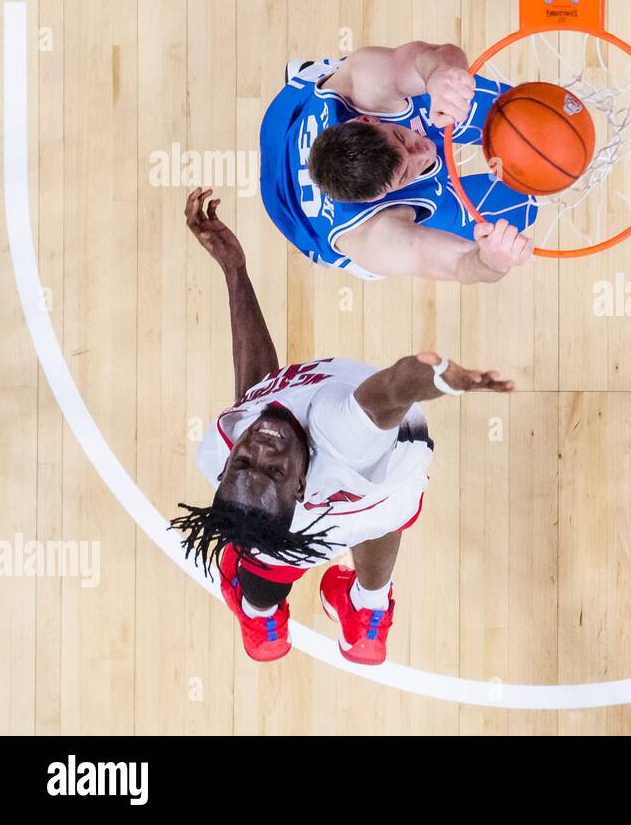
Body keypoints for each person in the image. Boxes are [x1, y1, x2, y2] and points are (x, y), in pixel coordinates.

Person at [174, 189, 513, 664]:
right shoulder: (341, 435)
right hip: (387, 488)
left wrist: (235, 271)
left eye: (244, 461)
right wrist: (443, 377)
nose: (261, 447)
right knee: (379, 511)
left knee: (255, 557)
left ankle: (262, 617)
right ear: (300, 486)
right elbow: (395, 388)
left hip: (371, 498)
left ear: (230, 463)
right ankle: (366, 611)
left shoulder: (238, 450)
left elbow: (260, 390)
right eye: (272, 469)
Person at [259, 43, 535, 281]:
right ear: (378, 196)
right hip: (297, 221)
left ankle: (310, 71)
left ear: (365, 119)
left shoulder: (364, 82)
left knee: (525, 116)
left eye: (402, 138)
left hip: (283, 119)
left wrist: (441, 75)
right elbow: (461, 265)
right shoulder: (373, 238)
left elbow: (435, 54)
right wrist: (491, 261)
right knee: (522, 208)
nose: (425, 153)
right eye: (405, 174)